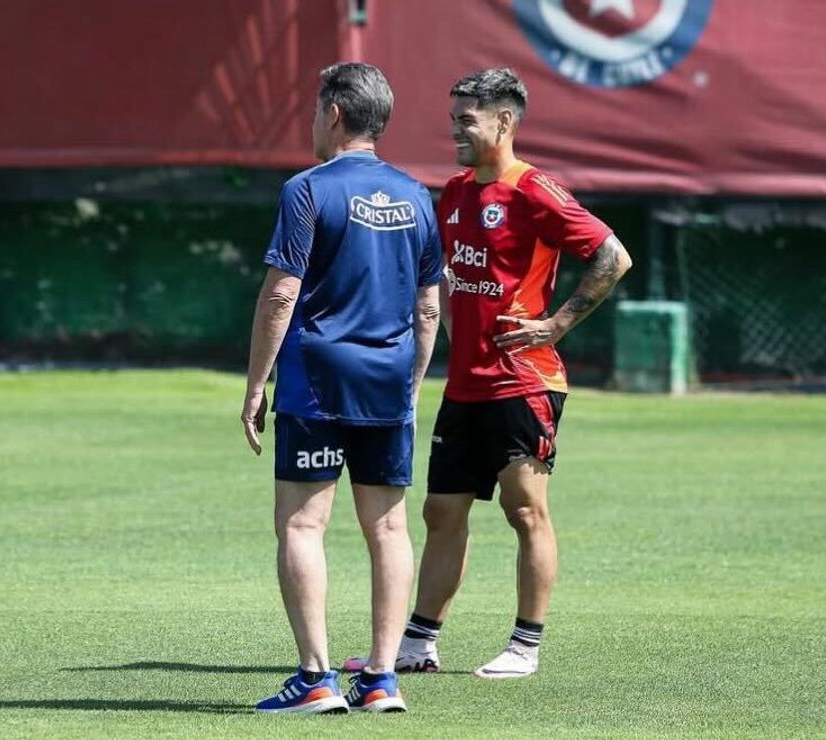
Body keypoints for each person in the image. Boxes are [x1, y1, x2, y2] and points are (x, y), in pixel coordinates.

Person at [346, 67, 632, 679]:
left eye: (465, 119)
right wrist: (452, 332)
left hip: (524, 381)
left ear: (504, 121)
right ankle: (418, 642)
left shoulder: (534, 191)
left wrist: (555, 325)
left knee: (525, 509)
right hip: (466, 384)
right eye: (453, 117)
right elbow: (449, 280)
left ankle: (525, 646)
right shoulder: (452, 193)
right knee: (441, 513)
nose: (455, 129)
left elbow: (613, 255)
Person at [242, 62, 443, 714]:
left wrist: (254, 384)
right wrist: (409, 382)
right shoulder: (417, 195)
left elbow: (281, 293)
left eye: (313, 109)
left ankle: (315, 678)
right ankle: (382, 679)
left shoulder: (308, 190)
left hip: (318, 381)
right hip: (387, 382)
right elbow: (429, 307)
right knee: (387, 528)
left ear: (334, 113)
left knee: (303, 523)